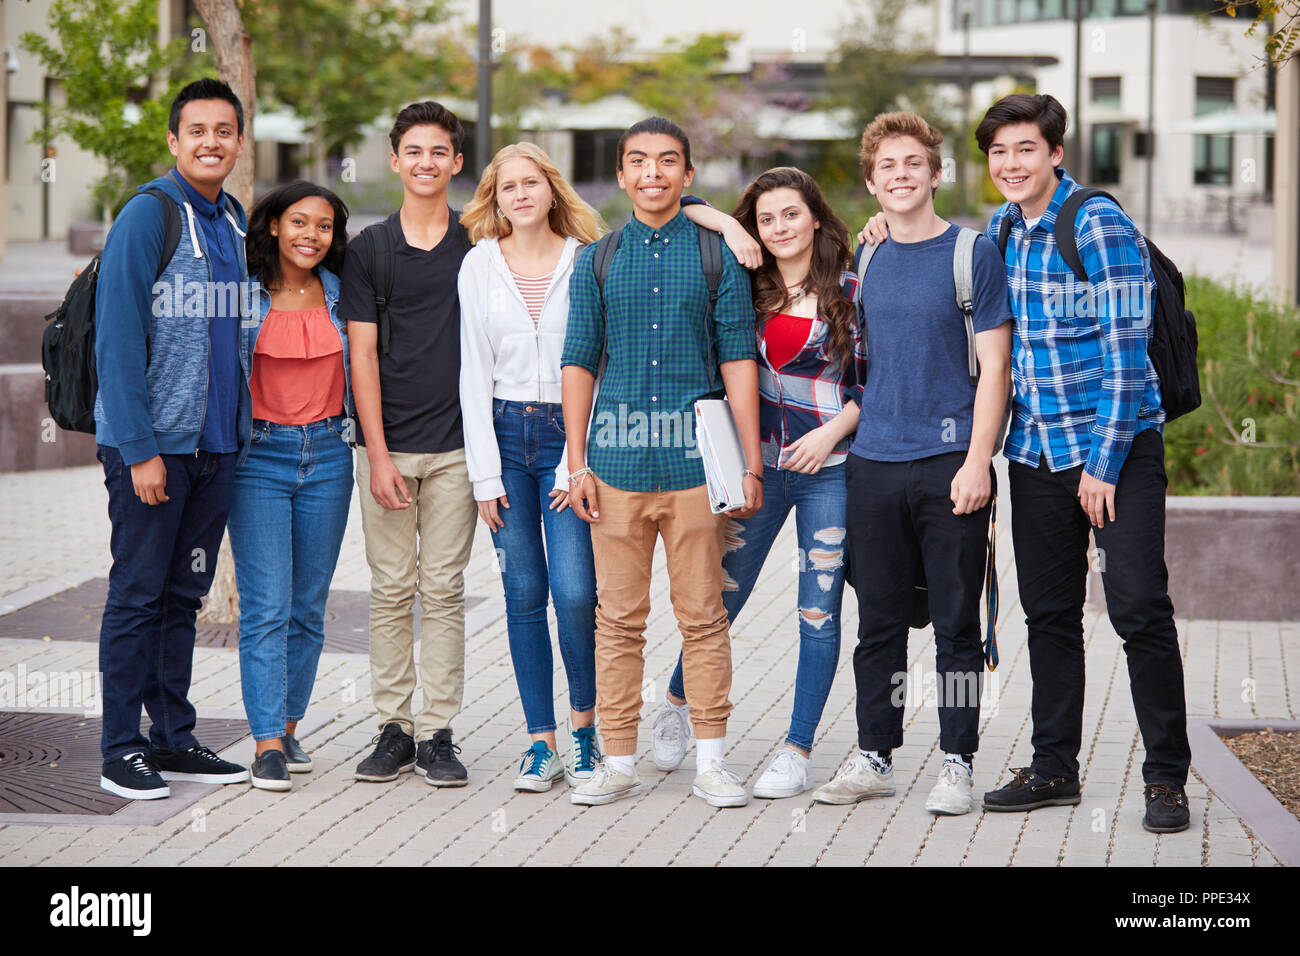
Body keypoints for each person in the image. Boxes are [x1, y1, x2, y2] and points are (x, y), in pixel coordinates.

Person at [973, 94, 1191, 832]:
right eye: (999, 152)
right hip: (1034, 454)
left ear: (1055, 153)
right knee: (1051, 618)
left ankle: (1165, 778)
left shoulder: (1096, 221)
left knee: (1137, 610)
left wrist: (1102, 464)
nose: (1011, 164)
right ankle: (1054, 768)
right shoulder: (1002, 228)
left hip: (1115, 450)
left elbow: (1129, 356)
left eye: (1025, 149)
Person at [561, 117, 763, 808]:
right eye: (639, 162)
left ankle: (710, 760)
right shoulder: (598, 259)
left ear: (686, 176)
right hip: (614, 468)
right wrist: (576, 463)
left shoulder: (717, 258)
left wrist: (748, 464)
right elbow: (579, 361)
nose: (653, 173)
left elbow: (738, 358)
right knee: (616, 620)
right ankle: (618, 761)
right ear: (620, 175)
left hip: (694, 470)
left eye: (667, 161)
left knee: (703, 616)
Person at [647, 166, 864, 799]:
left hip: (830, 472)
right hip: (756, 469)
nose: (778, 228)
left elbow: (877, 383)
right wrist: (722, 221)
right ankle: (678, 701)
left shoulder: (853, 288)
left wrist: (832, 434)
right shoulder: (745, 282)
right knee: (722, 598)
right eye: (765, 218)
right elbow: (677, 203)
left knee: (817, 615)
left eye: (791, 214)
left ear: (816, 218)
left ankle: (797, 749)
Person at [816, 112, 1011, 815]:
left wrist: (978, 461)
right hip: (871, 464)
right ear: (872, 184)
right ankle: (876, 756)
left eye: (913, 163)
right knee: (879, 623)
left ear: (936, 172)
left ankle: (957, 761)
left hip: (949, 464)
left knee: (957, 624)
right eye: (887, 167)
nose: (901, 176)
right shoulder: (865, 258)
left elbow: (996, 370)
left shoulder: (973, 253)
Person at [93, 78, 252, 799]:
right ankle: (120, 748)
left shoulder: (235, 220)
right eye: (198, 130)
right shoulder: (147, 216)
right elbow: (118, 340)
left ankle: (173, 738)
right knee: (135, 594)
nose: (211, 142)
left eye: (224, 130)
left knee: (182, 597)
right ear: (173, 140)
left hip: (216, 448)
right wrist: (139, 449)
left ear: (239, 142)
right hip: (156, 449)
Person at [457, 143, 607, 792]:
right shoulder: (478, 266)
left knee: (575, 593)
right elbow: (471, 372)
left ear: (552, 190)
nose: (520, 194)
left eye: (531, 182)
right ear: (495, 198)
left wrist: (576, 462)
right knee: (524, 595)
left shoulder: (589, 261)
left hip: (567, 440)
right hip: (503, 433)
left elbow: (602, 365)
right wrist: (483, 479)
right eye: (507, 186)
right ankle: (540, 743)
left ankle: (585, 731)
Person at [342, 101, 477, 787]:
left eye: (439, 151)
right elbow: (360, 358)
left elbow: (574, 227)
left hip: (458, 448)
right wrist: (379, 454)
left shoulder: (481, 242)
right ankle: (393, 728)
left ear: (457, 162)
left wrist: (711, 211)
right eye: (413, 151)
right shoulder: (368, 250)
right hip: (386, 448)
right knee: (392, 589)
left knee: (445, 589)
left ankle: (439, 733)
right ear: (395, 160)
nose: (426, 162)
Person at [229, 181, 354, 792]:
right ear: (274, 226)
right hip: (259, 458)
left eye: (324, 226)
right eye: (299, 222)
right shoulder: (243, 291)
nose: (311, 235)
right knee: (267, 607)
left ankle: (290, 723)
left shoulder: (340, 292)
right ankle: (266, 744)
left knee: (308, 606)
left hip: (330, 454)